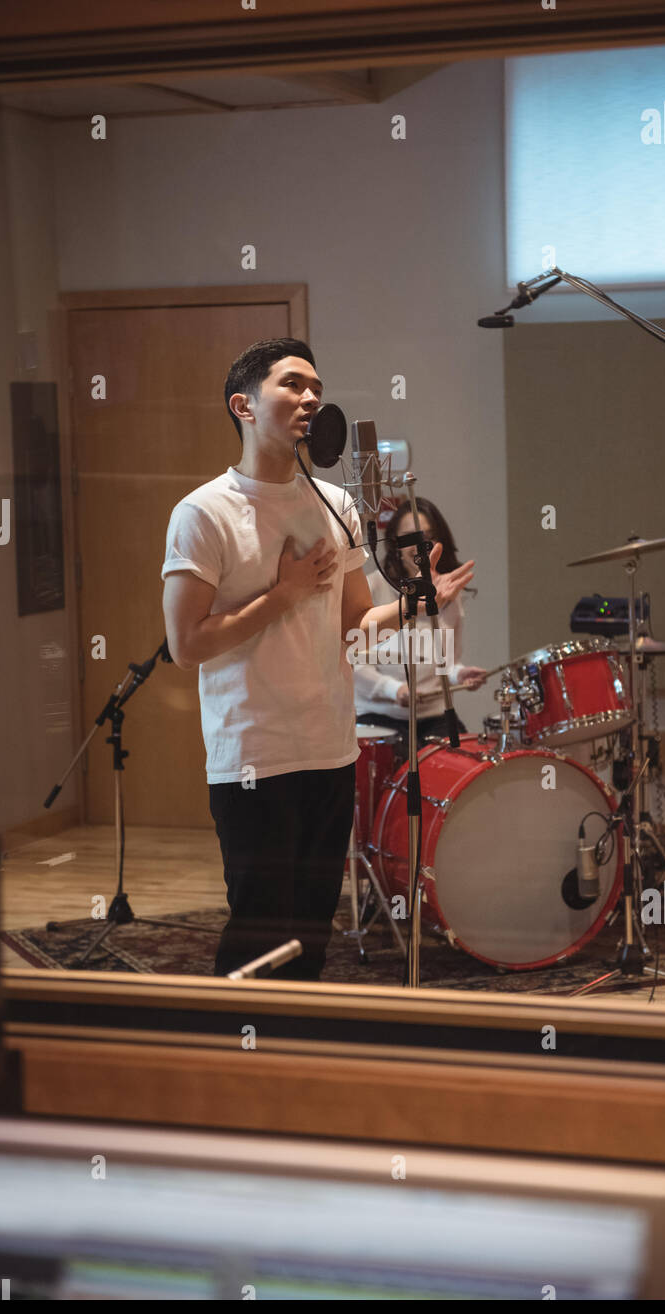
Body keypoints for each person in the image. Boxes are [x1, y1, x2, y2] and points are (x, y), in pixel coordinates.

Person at [161, 339, 475, 980]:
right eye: (292, 384)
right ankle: (232, 1061)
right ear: (243, 406)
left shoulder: (337, 506)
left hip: (331, 750)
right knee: (258, 931)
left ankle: (295, 1062)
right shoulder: (203, 512)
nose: (310, 398)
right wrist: (284, 595)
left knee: (309, 935)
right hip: (254, 755)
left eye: (316, 387)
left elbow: (353, 627)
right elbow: (185, 644)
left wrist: (418, 604)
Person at [353, 498, 487, 757]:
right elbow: (354, 663)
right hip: (380, 717)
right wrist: (396, 690)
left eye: (428, 536)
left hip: (433, 715)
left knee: (461, 768)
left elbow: (444, 664)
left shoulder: (449, 595)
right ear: (394, 543)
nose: (420, 545)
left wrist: (460, 674)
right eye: (409, 537)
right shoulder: (372, 589)